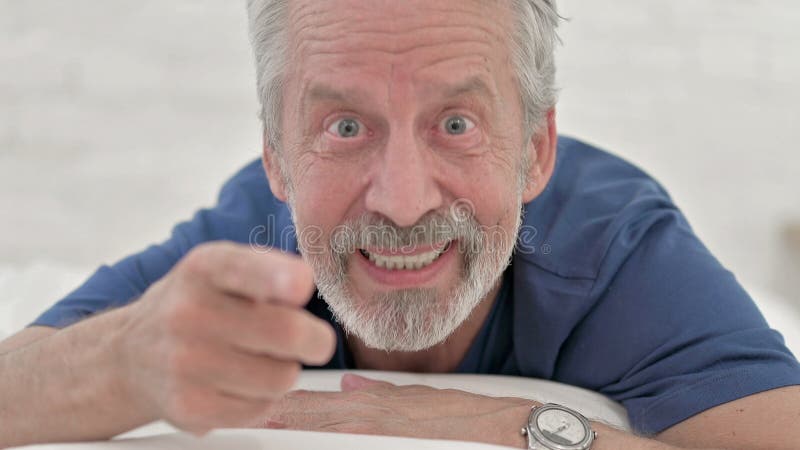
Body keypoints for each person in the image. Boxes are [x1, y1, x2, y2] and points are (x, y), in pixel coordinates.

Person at [1, 0, 799, 448]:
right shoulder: (257, 233)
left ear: (535, 151)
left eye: (456, 123)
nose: (404, 202)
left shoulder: (617, 251)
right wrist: (122, 366)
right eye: (345, 128)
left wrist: (496, 425)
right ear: (277, 158)